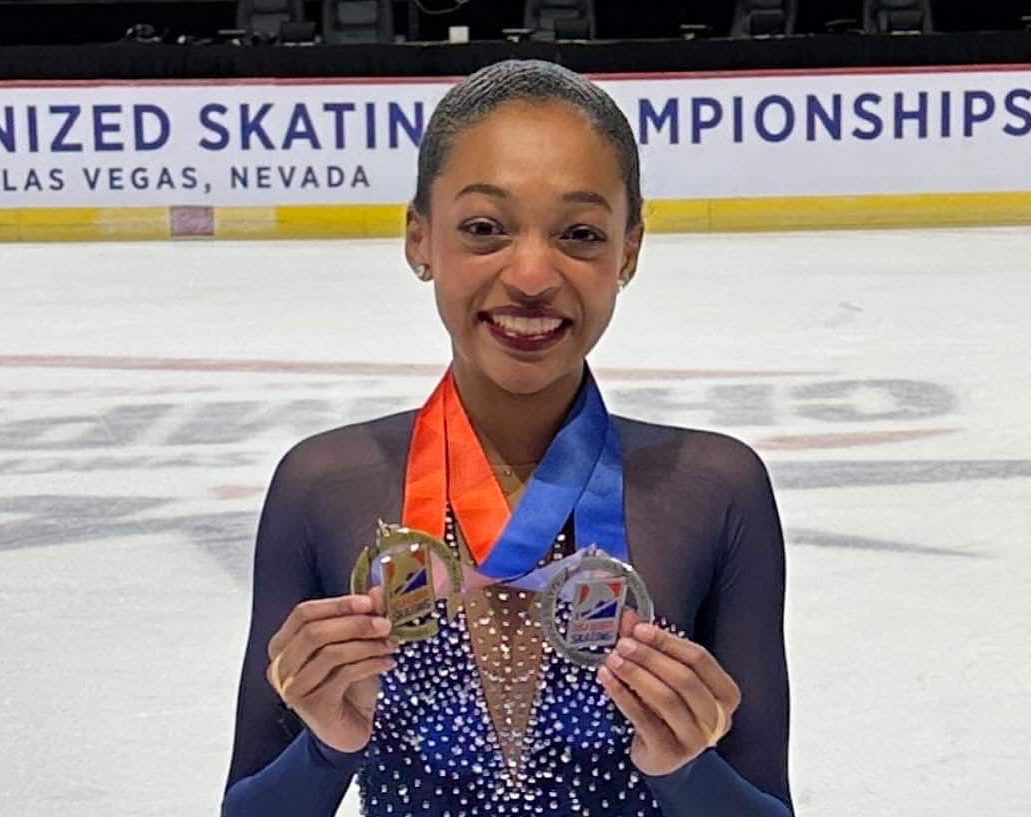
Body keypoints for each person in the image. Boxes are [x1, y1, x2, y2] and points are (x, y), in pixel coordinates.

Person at [220, 59, 792, 817]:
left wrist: (686, 770)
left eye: (580, 234)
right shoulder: (323, 486)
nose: (530, 275)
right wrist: (326, 746)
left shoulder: (714, 490)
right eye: (484, 229)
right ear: (420, 238)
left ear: (628, 251)